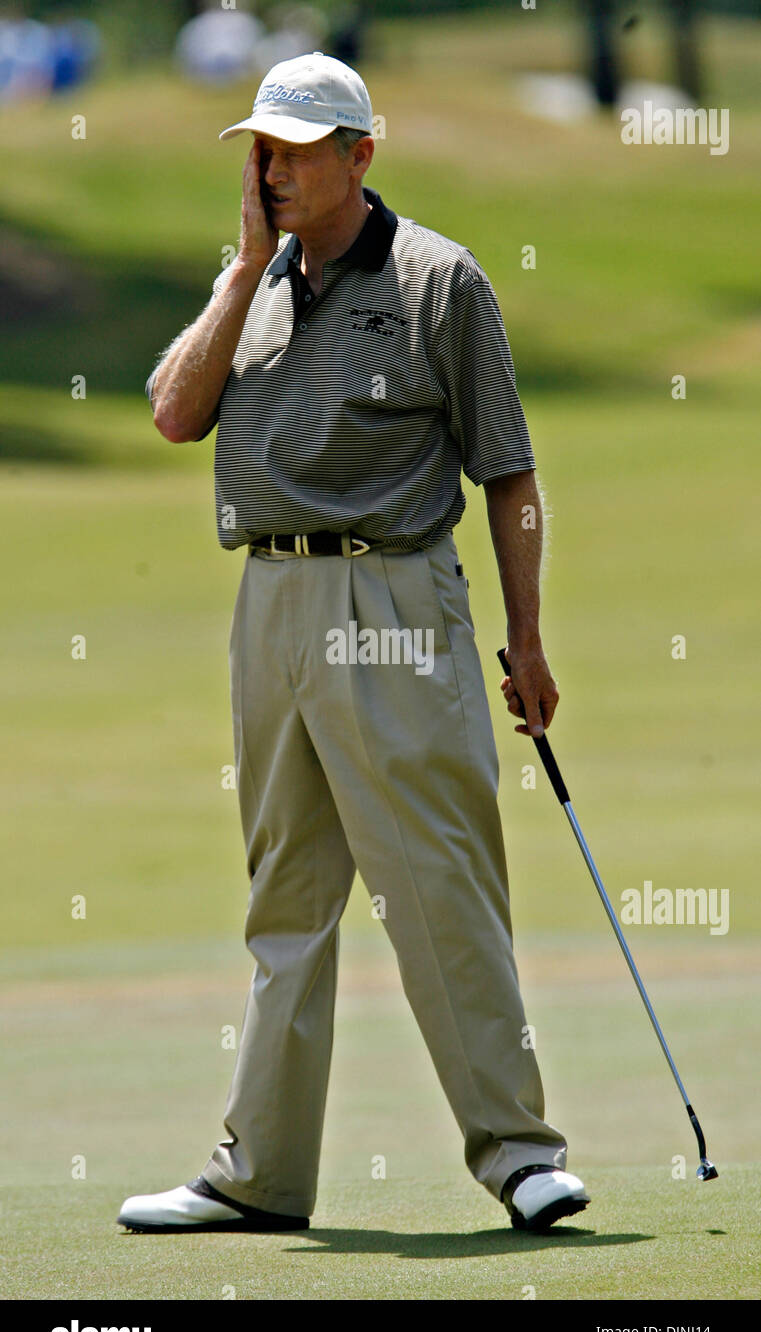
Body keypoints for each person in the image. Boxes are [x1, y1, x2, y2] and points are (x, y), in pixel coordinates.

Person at [118, 52, 589, 1237]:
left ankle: (520, 1153)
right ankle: (260, 1174)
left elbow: (510, 474)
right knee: (285, 898)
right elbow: (176, 412)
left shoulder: (439, 281)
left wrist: (525, 639)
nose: (268, 168)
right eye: (258, 149)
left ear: (359, 154)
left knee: (436, 876)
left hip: (393, 603)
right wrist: (238, 272)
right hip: (268, 604)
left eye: (292, 147)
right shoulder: (254, 282)